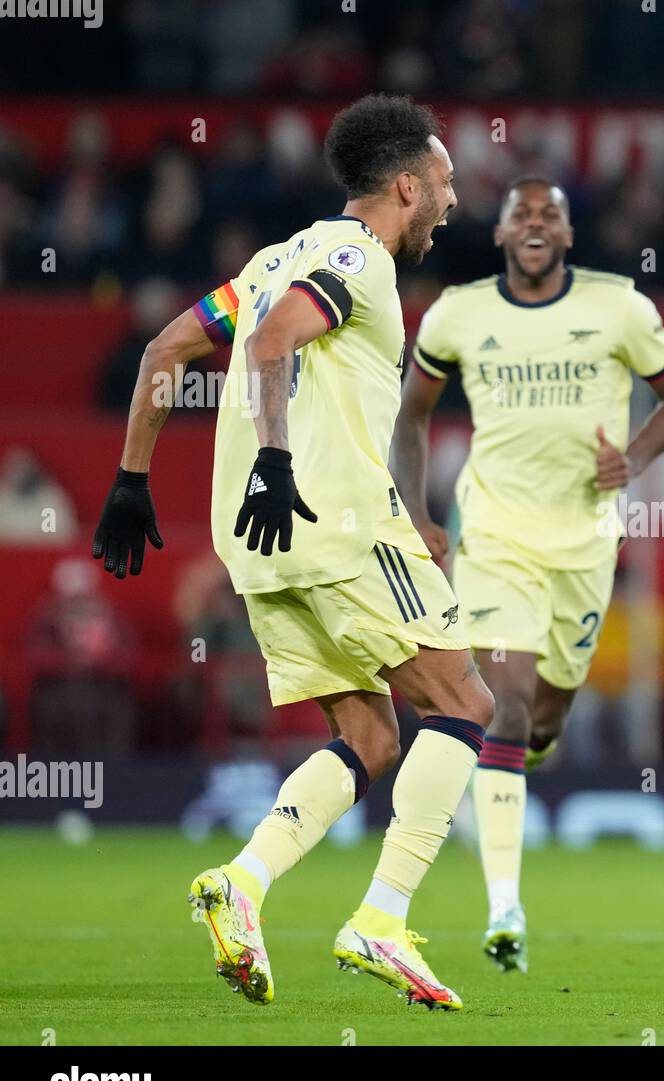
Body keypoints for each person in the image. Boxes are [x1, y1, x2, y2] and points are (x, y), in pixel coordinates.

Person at [89, 94, 494, 1012]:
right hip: (332, 525)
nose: (452, 202)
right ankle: (382, 918)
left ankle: (243, 881)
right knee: (467, 702)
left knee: (370, 735)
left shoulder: (274, 262)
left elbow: (167, 346)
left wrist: (131, 479)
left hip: (259, 545)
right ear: (404, 185)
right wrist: (276, 458)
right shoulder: (359, 260)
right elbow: (275, 344)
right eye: (444, 184)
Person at [396, 176, 664, 972]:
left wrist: (630, 460)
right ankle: (505, 908)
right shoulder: (460, 313)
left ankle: (483, 792)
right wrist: (415, 512)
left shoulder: (619, 308)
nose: (534, 223)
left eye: (550, 214)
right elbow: (413, 413)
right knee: (507, 702)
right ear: (499, 235)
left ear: (566, 234)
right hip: (492, 535)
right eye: (520, 214)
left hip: (586, 547)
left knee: (543, 723)